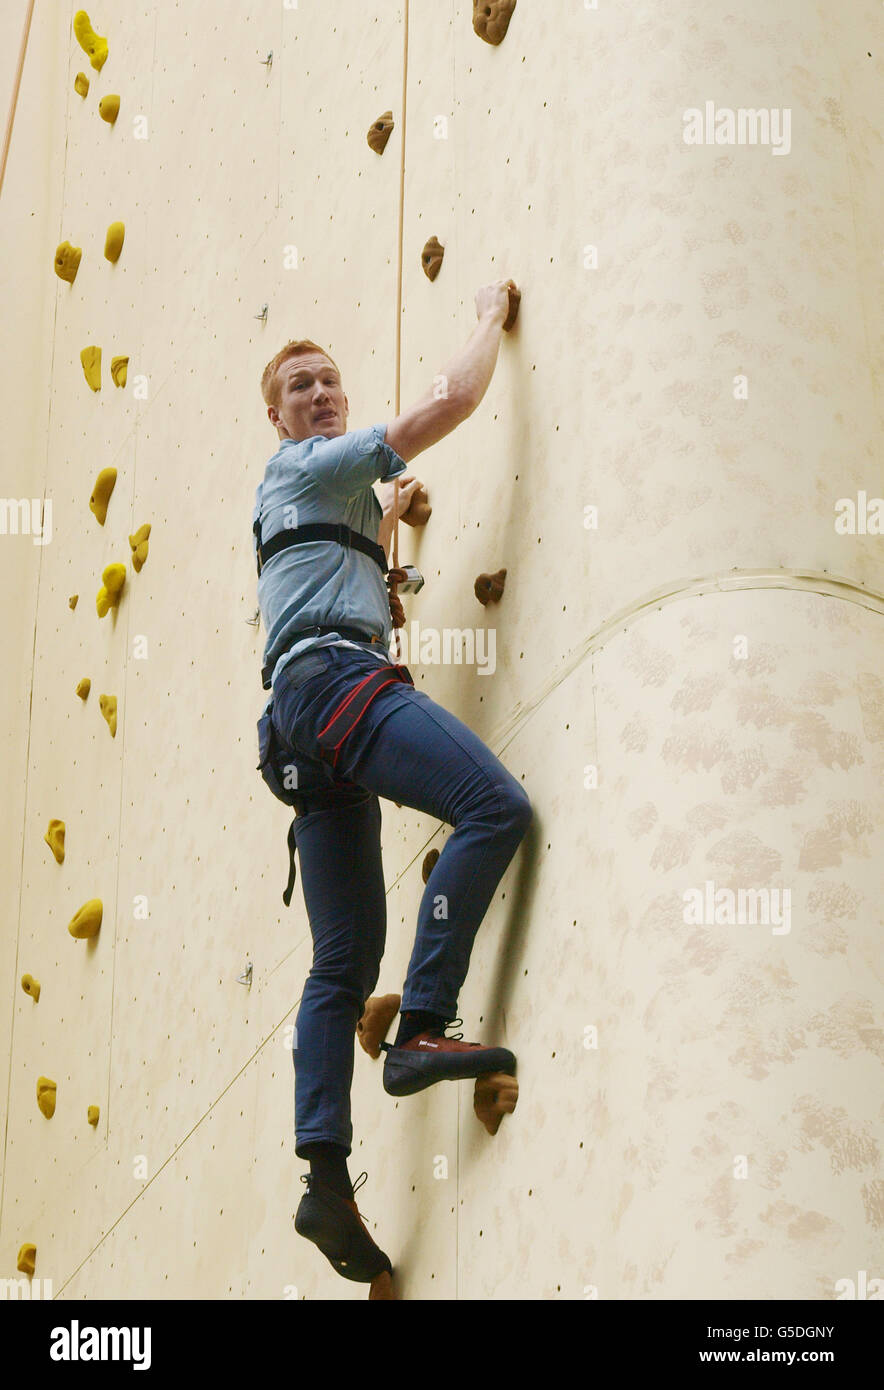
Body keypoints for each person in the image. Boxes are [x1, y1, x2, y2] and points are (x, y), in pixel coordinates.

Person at [253, 278, 532, 1291]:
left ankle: (323, 1172)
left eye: (328, 379)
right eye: (300, 386)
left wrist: (394, 539)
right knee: (492, 805)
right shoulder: (315, 462)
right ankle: (421, 1024)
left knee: (339, 957)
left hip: (299, 729)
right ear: (277, 415)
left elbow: (368, 590)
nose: (321, 393)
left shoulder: (315, 511)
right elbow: (445, 407)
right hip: (333, 687)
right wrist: (489, 319)